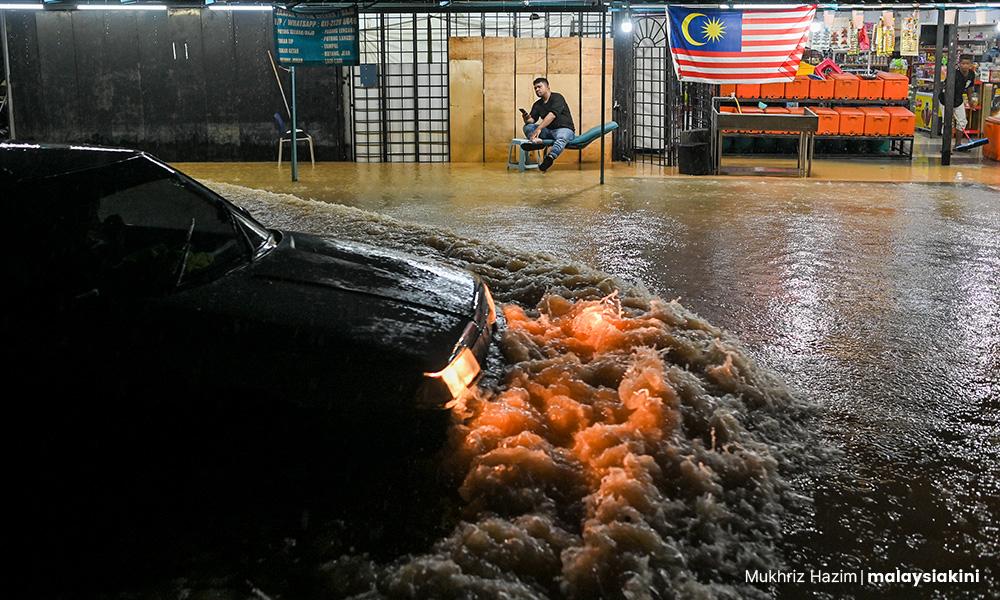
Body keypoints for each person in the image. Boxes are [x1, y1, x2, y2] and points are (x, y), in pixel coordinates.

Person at [519, 77, 575, 173]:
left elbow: (552, 115)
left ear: (548, 87)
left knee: (562, 137)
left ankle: (550, 158)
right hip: (548, 131)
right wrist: (526, 118)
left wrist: (539, 128)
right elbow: (532, 120)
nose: (537, 90)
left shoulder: (557, 97)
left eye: (539, 87)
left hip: (563, 129)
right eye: (535, 88)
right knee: (528, 127)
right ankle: (537, 144)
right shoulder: (537, 104)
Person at [940, 55, 976, 143]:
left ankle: (958, 144)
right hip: (945, 99)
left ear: (971, 64)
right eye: (963, 63)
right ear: (959, 64)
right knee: (948, 123)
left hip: (958, 99)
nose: (965, 66)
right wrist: (949, 104)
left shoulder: (971, 74)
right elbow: (946, 88)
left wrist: (970, 100)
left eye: (967, 64)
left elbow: (969, 88)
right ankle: (946, 146)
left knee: (962, 121)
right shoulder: (953, 74)